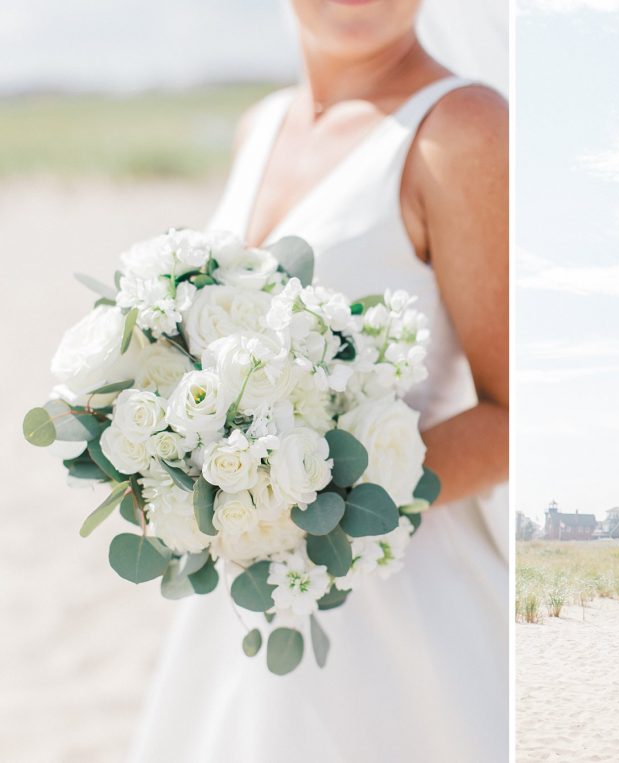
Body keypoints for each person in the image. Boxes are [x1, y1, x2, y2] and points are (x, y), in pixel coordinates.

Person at [130, 2, 508, 760]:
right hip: (242, 588)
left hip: (398, 594)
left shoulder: (462, 128)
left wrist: (307, 501)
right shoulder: (259, 125)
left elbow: (514, 415)